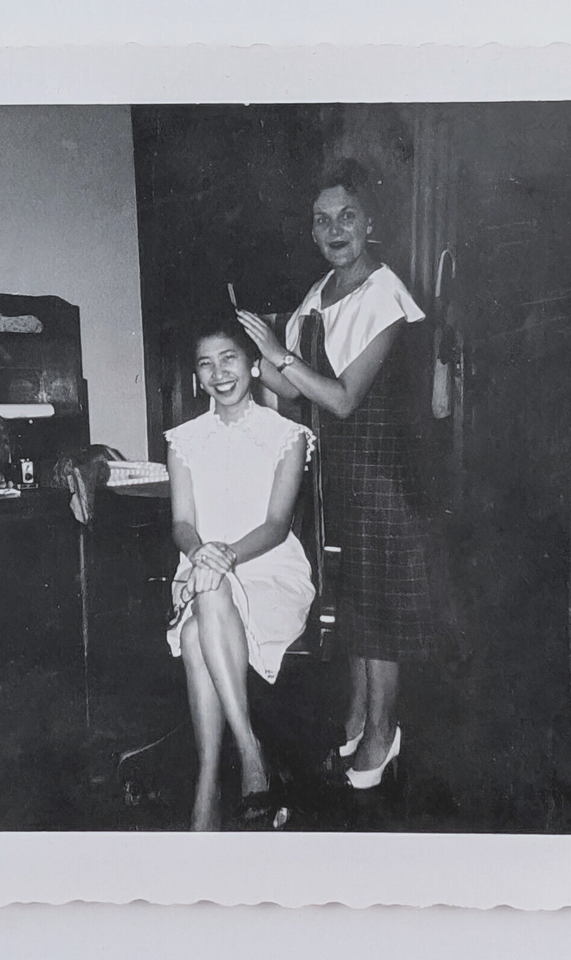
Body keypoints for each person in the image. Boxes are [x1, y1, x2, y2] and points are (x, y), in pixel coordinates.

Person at [237, 158, 433, 790]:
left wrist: (280, 355)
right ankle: (357, 720)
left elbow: (344, 398)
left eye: (347, 215)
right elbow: (293, 392)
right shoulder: (317, 295)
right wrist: (250, 361)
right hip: (336, 478)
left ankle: (383, 733)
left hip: (382, 474)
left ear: (369, 223)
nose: (335, 229)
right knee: (350, 604)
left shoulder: (386, 293)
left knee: (379, 611)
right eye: (322, 220)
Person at [165, 310, 316, 830]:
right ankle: (234, 759)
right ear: (197, 376)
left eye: (229, 358)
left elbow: (276, 524)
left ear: (253, 365)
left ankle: (224, 769)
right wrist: (201, 551)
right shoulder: (183, 439)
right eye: (205, 364)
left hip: (268, 568)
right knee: (198, 622)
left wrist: (223, 555)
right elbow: (182, 523)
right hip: (205, 566)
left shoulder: (287, 435)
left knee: (197, 625)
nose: (219, 372)